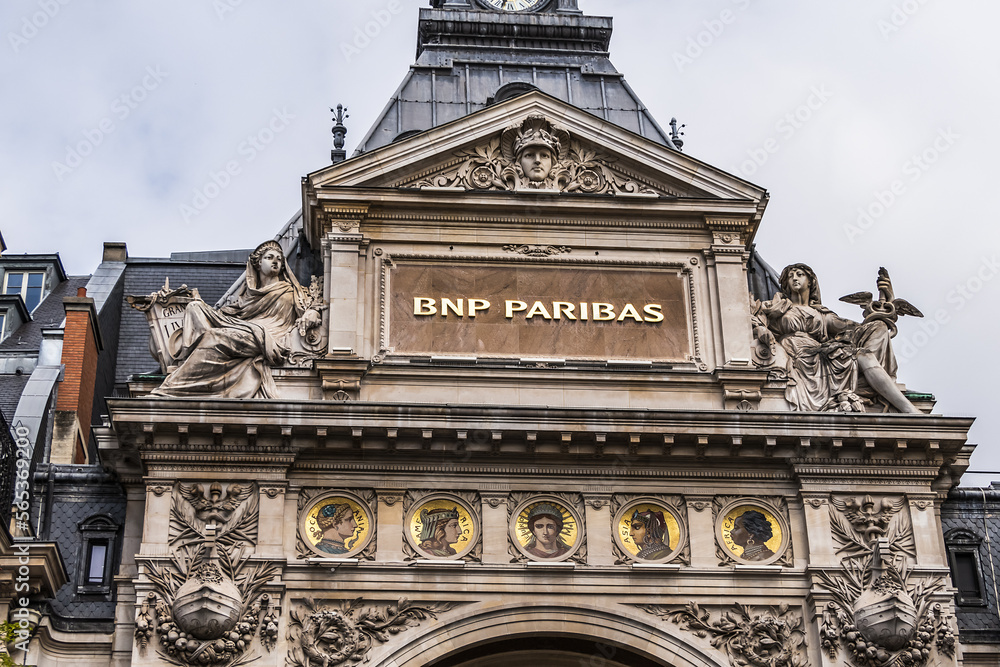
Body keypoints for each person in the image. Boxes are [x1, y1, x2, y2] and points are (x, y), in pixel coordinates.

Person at [152, 240, 322, 399]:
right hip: (246, 330)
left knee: (214, 337)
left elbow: (311, 305)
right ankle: (185, 363)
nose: (275, 261)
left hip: (268, 336)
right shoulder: (248, 297)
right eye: (269, 257)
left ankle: (172, 387)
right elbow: (227, 315)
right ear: (258, 263)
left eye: (279, 259)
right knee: (194, 307)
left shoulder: (291, 290)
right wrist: (179, 302)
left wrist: (313, 312)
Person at [756, 264, 920, 414]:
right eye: (790, 276)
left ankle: (908, 409)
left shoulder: (821, 314)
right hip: (797, 355)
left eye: (799, 274)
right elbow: (750, 318)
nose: (794, 278)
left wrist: (883, 312)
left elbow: (857, 329)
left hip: (821, 353)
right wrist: (761, 328)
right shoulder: (777, 307)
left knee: (868, 349)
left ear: (810, 282)